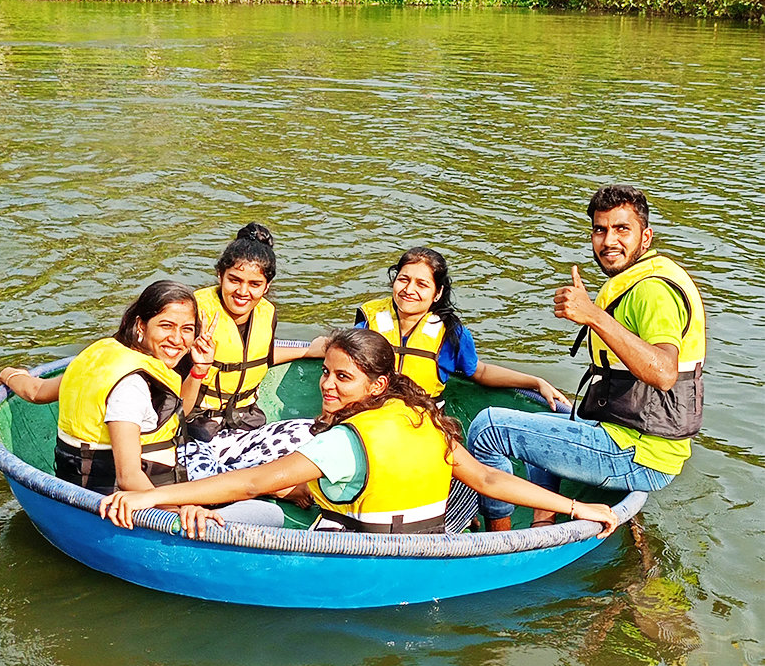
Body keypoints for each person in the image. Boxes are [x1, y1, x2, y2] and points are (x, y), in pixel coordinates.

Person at [99, 329, 618, 540]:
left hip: (366, 552)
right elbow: (488, 479)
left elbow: (247, 483)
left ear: (377, 383)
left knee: (237, 509)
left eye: (341, 377)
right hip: (434, 543)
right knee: (464, 484)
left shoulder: (343, 442)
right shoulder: (423, 416)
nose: (325, 385)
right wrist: (578, 508)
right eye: (325, 372)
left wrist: (151, 499)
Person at [467, 184, 705, 531]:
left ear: (646, 237)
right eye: (600, 229)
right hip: (632, 438)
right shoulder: (636, 281)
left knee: (488, 428)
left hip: (638, 453)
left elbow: (664, 373)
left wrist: (593, 314)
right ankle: (542, 528)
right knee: (544, 417)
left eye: (622, 229)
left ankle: (497, 541)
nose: (609, 240)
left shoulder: (653, 291)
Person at [0, 281, 212, 494]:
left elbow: (36, 392)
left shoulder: (104, 356)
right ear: (141, 325)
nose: (177, 339)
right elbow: (129, 477)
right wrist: (179, 515)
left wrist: (10, 374)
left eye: (187, 329)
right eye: (166, 326)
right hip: (122, 503)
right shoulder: (131, 386)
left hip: (80, 487)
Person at [180, 222, 325, 482]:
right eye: (234, 280)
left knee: (316, 434)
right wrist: (198, 369)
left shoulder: (266, 314)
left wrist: (307, 352)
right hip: (195, 432)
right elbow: (176, 404)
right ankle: (265, 484)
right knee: (201, 478)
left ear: (266, 286)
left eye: (254, 284)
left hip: (244, 430)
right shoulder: (193, 315)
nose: (243, 292)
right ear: (219, 276)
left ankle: (250, 480)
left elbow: (260, 358)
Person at [355, 246, 569, 409]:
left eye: (422, 284)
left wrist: (536, 382)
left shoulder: (450, 332)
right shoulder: (370, 320)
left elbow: (479, 371)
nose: (409, 290)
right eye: (403, 279)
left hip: (420, 423)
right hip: (370, 413)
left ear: (437, 293)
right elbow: (336, 349)